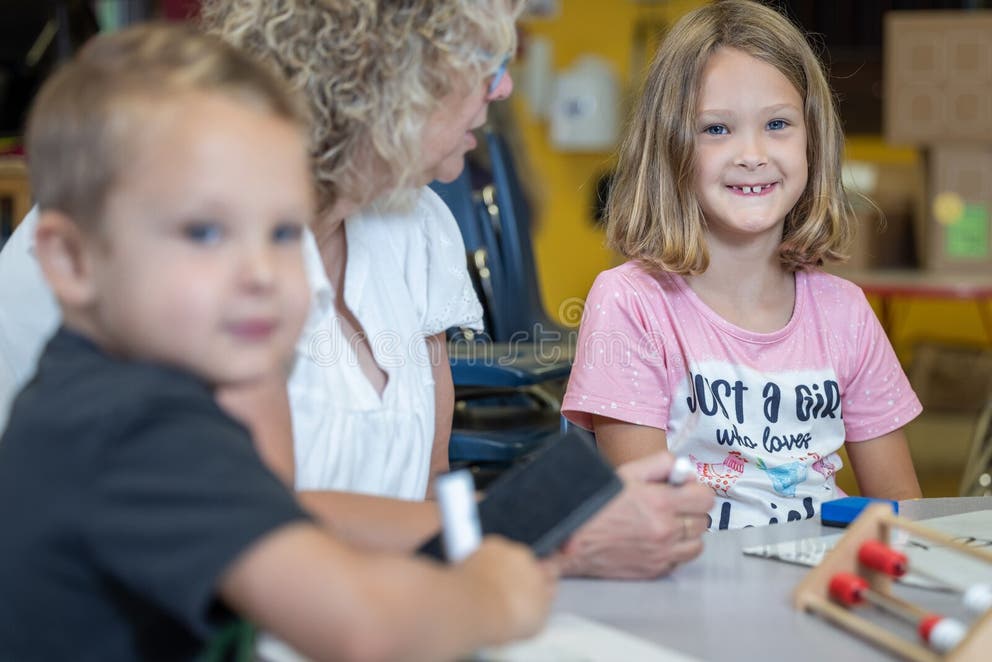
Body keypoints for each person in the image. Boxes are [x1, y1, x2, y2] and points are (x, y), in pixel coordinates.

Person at [0, 0, 713, 578]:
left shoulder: (416, 225)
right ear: (388, 70)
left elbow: (427, 491)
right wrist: (542, 528)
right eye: (485, 61)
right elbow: (242, 521)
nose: (501, 89)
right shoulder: (154, 232)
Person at [0, 23, 553, 661]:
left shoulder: (148, 396)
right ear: (71, 262)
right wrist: (491, 595)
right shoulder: (128, 431)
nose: (262, 273)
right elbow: (362, 627)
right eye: (205, 233)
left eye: (284, 233)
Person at [561, 0, 923, 531]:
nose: (752, 154)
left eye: (777, 123)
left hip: (819, 572)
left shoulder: (845, 310)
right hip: (688, 574)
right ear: (670, 147)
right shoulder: (630, 303)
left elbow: (902, 509)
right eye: (716, 129)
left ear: (813, 139)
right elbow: (648, 519)